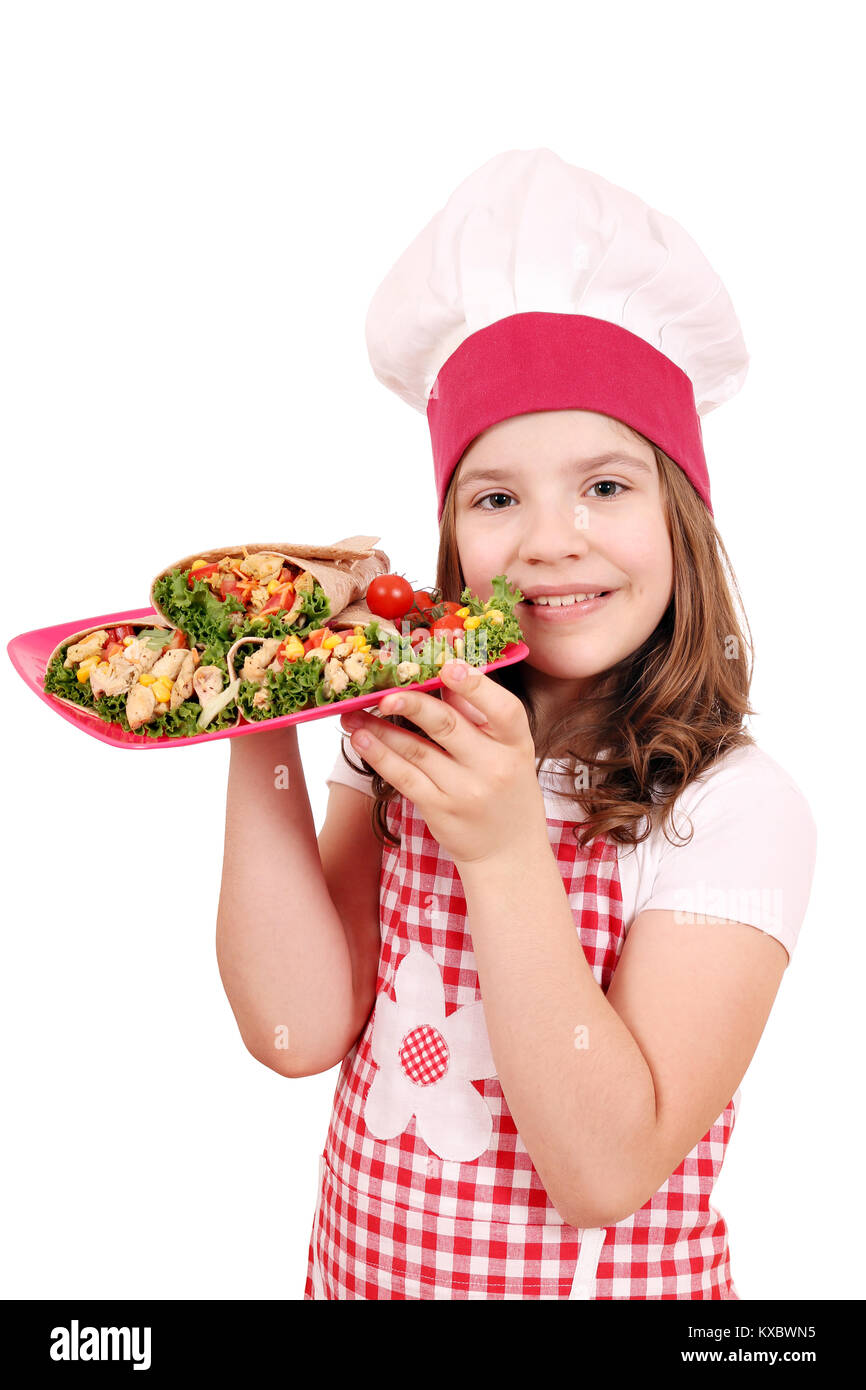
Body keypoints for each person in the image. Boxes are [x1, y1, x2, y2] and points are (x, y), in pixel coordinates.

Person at [216, 149, 817, 1300]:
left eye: (603, 485)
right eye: (496, 496)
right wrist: (263, 709)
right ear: (452, 538)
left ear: (681, 516)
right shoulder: (403, 742)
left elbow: (604, 1171)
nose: (549, 538)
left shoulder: (731, 809)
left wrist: (499, 846)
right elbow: (295, 1030)